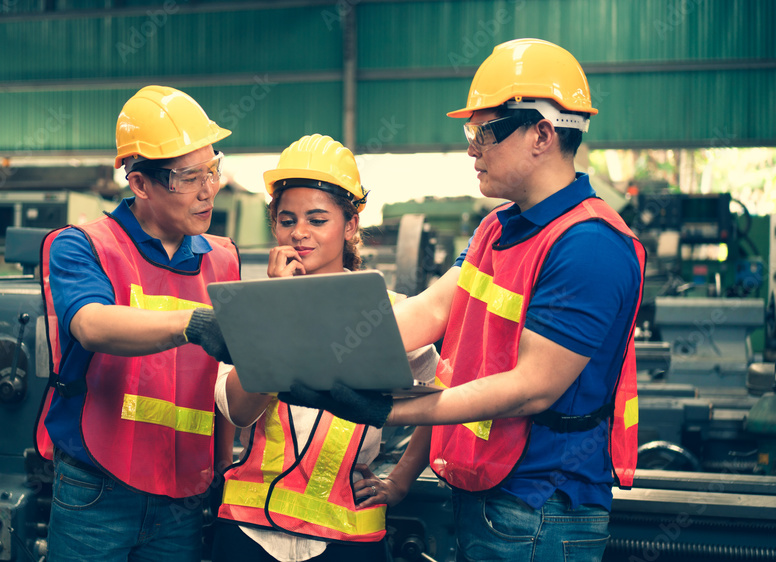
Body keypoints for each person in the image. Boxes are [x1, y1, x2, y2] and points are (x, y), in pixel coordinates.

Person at [280, 39, 646, 562]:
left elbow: (531, 389)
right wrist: (295, 339)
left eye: (485, 131)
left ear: (542, 133)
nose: (472, 148)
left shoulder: (590, 245)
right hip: (486, 489)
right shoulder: (498, 228)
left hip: (540, 506)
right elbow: (430, 311)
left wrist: (394, 408)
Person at [33, 85, 241, 562]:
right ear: (140, 183)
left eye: (212, 169)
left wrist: (222, 467)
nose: (208, 189)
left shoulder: (224, 259)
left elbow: (224, 378)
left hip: (183, 495)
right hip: (97, 490)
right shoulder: (82, 246)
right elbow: (91, 324)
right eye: (189, 177)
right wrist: (192, 322)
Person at [210, 134, 439, 562]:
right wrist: (278, 308)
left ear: (351, 224)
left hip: (347, 539)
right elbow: (239, 410)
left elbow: (447, 394)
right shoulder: (252, 307)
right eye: (286, 219)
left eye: (318, 220)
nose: (299, 233)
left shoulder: (391, 315)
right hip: (248, 532)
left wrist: (402, 478)